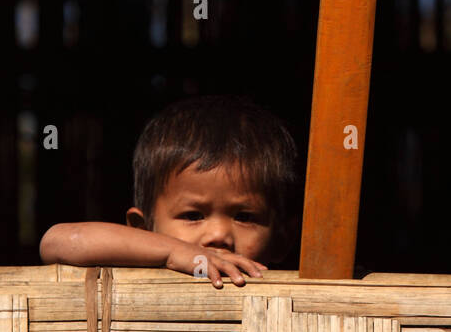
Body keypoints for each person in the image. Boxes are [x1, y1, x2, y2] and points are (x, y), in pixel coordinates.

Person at [39, 94, 301, 288]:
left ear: (282, 238)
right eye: (193, 215)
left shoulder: (280, 300)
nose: (219, 236)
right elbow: (57, 241)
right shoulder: (157, 258)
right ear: (141, 228)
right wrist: (173, 252)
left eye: (244, 216)